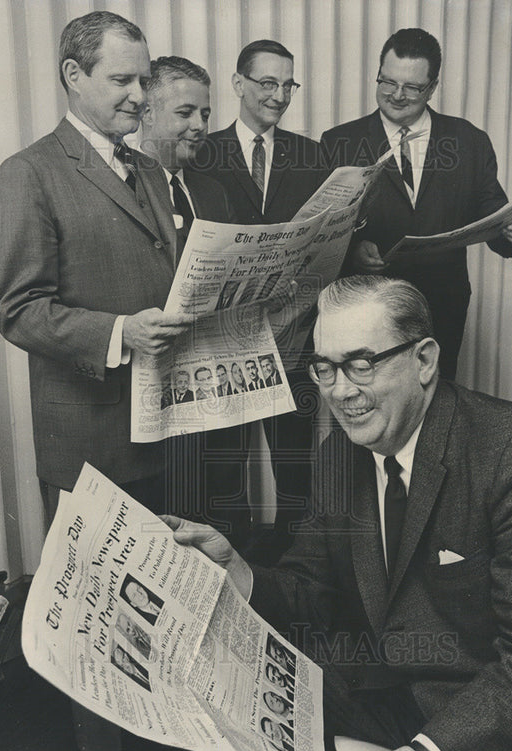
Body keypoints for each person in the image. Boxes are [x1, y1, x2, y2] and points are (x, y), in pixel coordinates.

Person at [163, 274, 512, 751]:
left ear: (424, 360)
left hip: (484, 727)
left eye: (362, 364)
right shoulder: (338, 458)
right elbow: (312, 590)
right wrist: (240, 572)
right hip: (385, 690)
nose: (340, 391)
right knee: (215, 715)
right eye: (325, 368)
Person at [0, 11, 194, 751]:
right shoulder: (28, 172)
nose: (141, 96)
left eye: (145, 80)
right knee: (99, 609)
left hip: (164, 427)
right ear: (74, 78)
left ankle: (158, 731)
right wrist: (119, 335)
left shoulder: (145, 170)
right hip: (90, 436)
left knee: (158, 593)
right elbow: (17, 307)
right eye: (123, 80)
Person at [320, 28, 512, 380]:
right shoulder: (339, 142)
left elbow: (492, 214)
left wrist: (511, 228)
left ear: (433, 87)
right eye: (387, 82)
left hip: (442, 305)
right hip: (370, 306)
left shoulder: (469, 141)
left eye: (413, 87)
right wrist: (353, 251)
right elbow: (324, 232)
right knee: (374, 405)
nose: (397, 96)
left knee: (436, 400)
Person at [194, 40, 326, 559]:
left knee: (295, 459)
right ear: (238, 84)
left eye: (287, 85)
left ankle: (297, 570)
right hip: (225, 340)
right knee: (225, 461)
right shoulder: (204, 151)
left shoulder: (311, 154)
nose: (278, 95)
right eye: (267, 83)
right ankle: (232, 561)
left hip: (293, 335)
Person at [138, 55, 249, 548]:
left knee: (225, 520)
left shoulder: (212, 192)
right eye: (186, 113)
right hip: (152, 407)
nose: (201, 126)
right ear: (146, 113)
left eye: (205, 114)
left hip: (217, 402)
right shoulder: (121, 190)